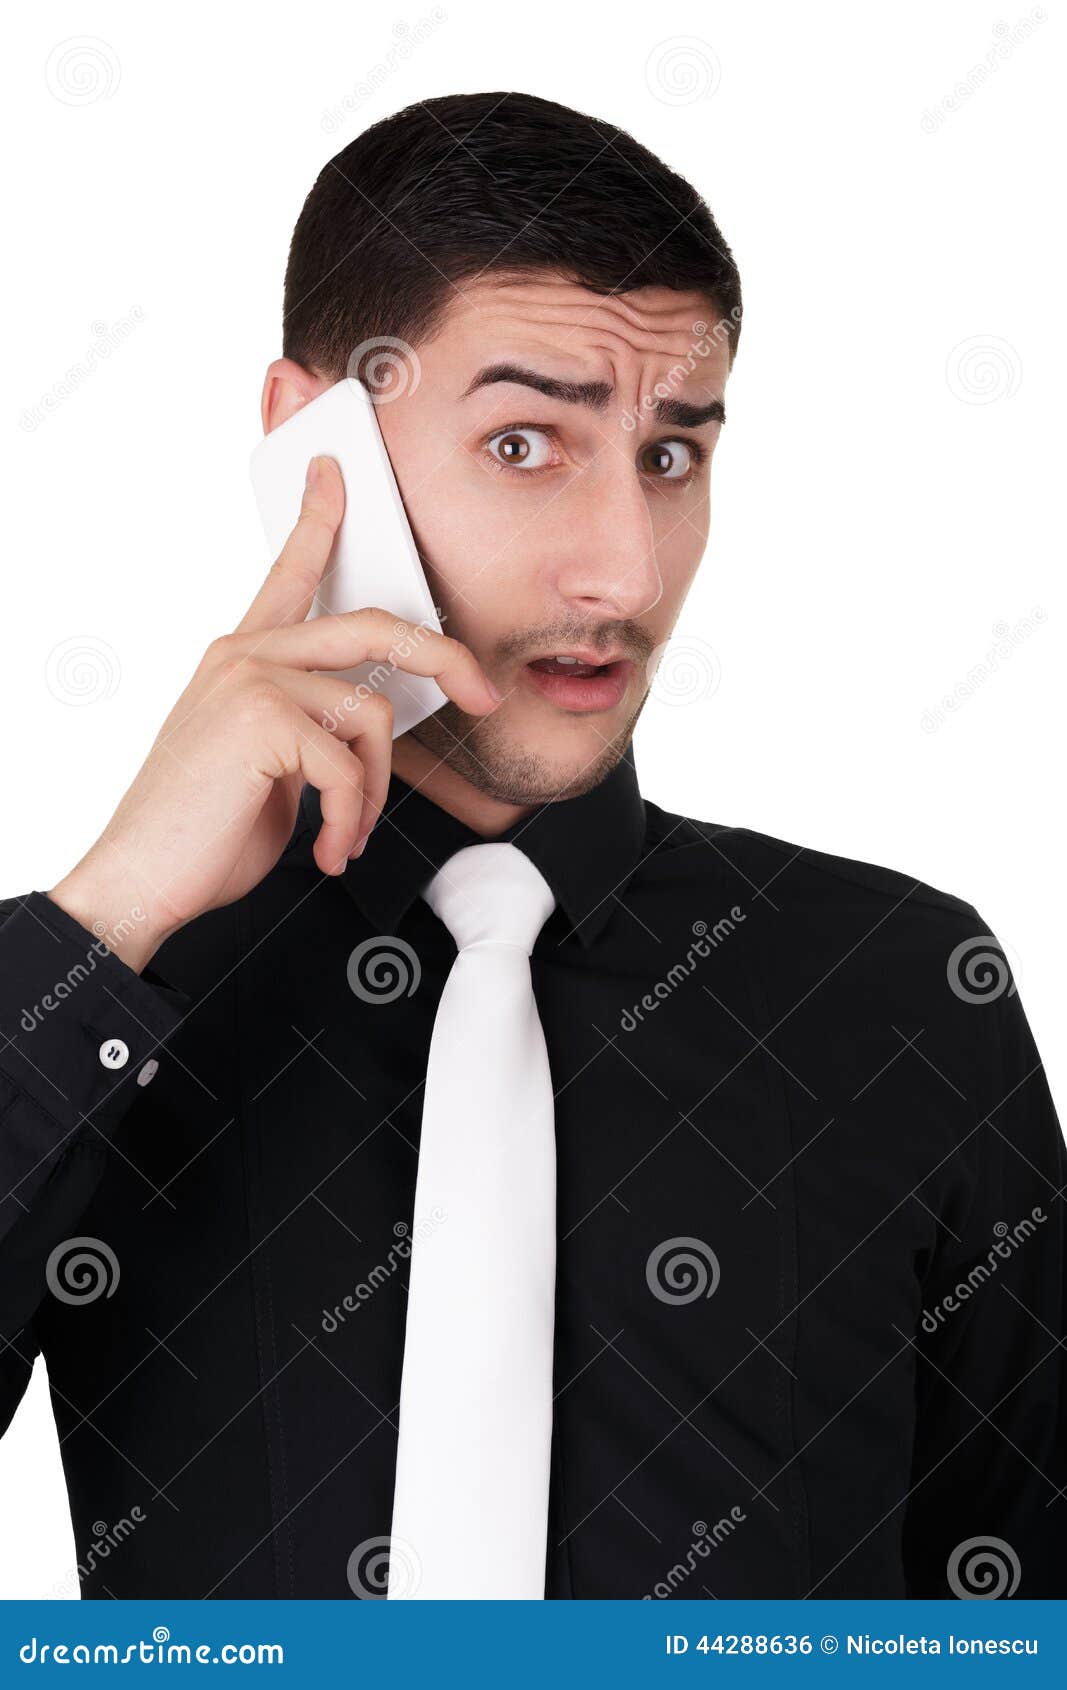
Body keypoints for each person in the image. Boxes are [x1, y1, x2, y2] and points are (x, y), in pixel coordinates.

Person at [1, 91, 1063, 1601]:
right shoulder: (102, 996)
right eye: (524, 442)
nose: (623, 569)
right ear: (316, 445)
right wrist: (103, 922)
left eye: (672, 456)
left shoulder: (906, 991)